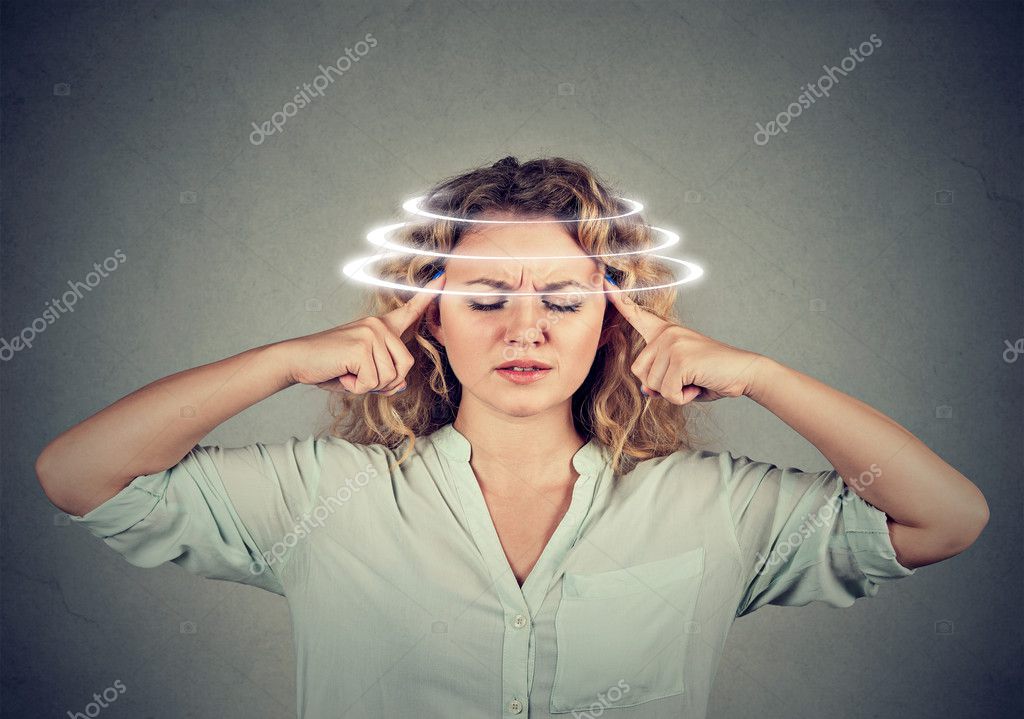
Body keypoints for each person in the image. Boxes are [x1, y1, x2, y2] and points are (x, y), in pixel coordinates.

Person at [36, 156, 989, 719]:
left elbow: (948, 518)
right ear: (432, 320)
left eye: (563, 299)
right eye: (485, 298)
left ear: (611, 321)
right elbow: (76, 473)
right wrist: (283, 359)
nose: (523, 328)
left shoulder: (715, 503)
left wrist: (768, 377)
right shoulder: (318, 495)